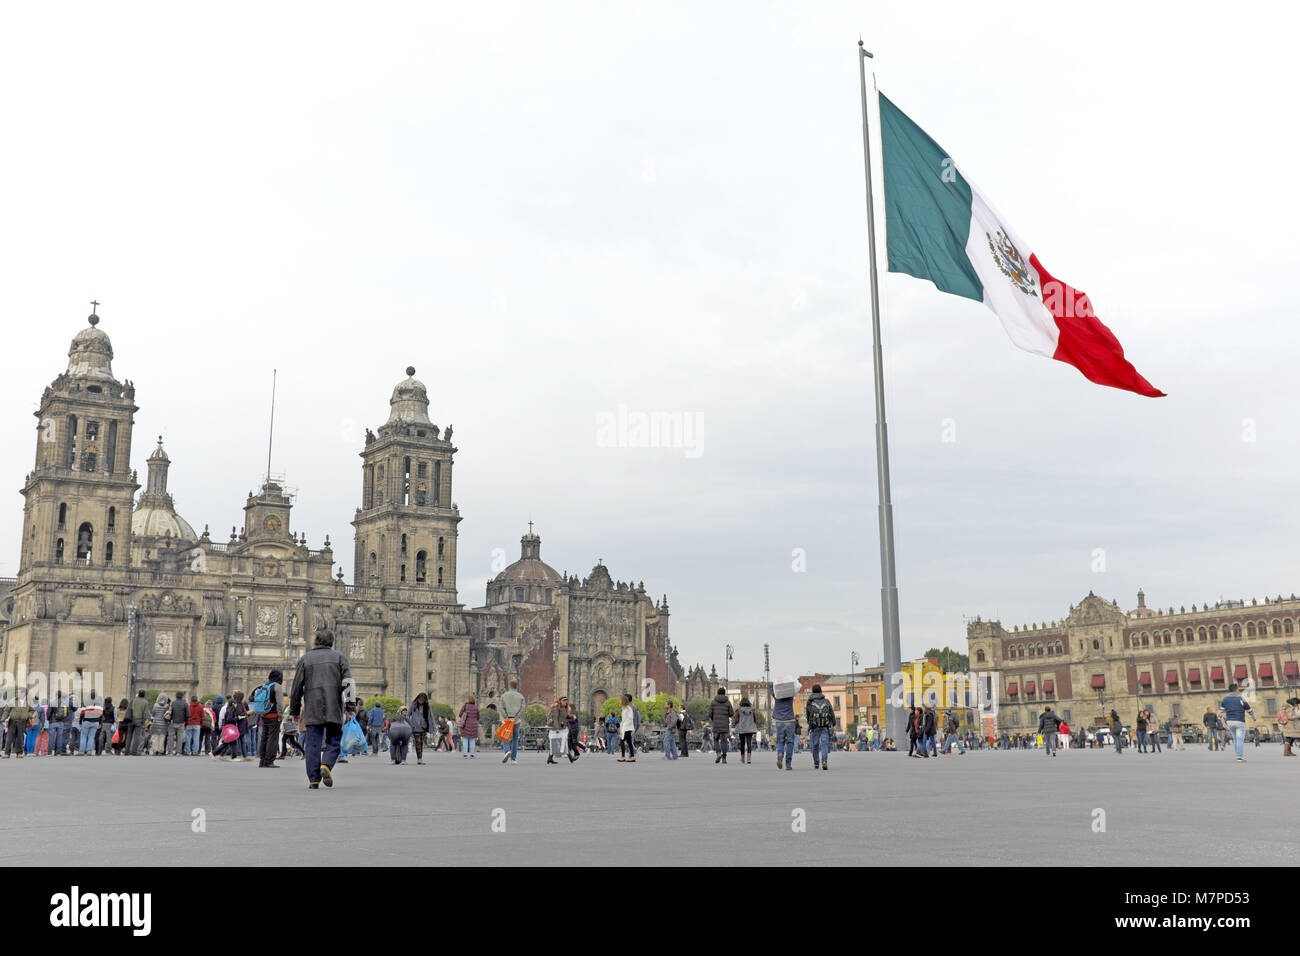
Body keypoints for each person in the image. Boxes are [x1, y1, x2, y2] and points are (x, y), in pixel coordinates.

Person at [289, 627, 354, 789]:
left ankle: (314, 779)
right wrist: (351, 707)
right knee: (334, 740)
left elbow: (296, 687)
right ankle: (326, 765)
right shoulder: (340, 658)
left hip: (312, 708)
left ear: (316, 641)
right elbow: (348, 684)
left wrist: (294, 711)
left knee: (312, 744)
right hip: (334, 707)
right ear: (331, 642)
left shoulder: (305, 659)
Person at [1218, 683, 1256, 762]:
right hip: (1239, 721)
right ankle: (1239, 756)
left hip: (1230, 722)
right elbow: (1249, 709)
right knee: (1239, 739)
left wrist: (1224, 724)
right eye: (1238, 689)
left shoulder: (1225, 699)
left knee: (1235, 738)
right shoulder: (1241, 698)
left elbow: (1220, 713)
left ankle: (1237, 754)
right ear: (1236, 689)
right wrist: (1254, 717)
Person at [255, 670, 284, 768]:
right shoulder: (277, 686)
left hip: (264, 715)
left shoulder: (264, 685)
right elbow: (280, 703)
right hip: (274, 716)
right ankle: (269, 761)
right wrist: (281, 714)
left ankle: (262, 760)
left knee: (264, 737)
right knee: (273, 738)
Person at [804, 684, 835, 771]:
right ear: (821, 691)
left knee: (815, 744)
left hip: (814, 726)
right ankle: (824, 762)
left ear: (813, 691)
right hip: (825, 725)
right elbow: (831, 712)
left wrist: (810, 724)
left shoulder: (810, 701)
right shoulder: (826, 701)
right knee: (824, 744)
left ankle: (816, 762)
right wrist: (834, 723)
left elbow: (808, 714)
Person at [212, 691, 246, 761]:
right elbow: (229, 719)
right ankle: (233, 757)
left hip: (229, 726)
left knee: (228, 742)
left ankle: (214, 753)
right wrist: (237, 718)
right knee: (230, 741)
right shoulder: (231, 710)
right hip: (230, 726)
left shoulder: (229, 709)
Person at [496, 682, 525, 765]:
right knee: (515, 739)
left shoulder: (504, 695)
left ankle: (507, 751)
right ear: (517, 686)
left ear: (509, 686)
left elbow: (501, 707)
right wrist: (515, 718)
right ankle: (513, 759)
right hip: (517, 721)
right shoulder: (520, 696)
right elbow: (522, 708)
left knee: (505, 737)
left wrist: (506, 717)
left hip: (506, 720)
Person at [771, 682, 797, 771]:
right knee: (790, 742)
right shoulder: (790, 695)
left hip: (779, 721)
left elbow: (771, 689)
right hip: (790, 720)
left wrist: (775, 683)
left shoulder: (777, 695)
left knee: (780, 741)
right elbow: (795, 688)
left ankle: (780, 754)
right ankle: (788, 764)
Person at [707, 687, 734, 765]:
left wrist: (714, 718)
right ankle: (724, 757)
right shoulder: (728, 702)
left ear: (717, 693)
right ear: (724, 693)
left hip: (716, 724)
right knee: (724, 741)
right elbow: (731, 713)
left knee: (715, 739)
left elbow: (710, 714)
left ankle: (718, 753)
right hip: (725, 724)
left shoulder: (713, 702)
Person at [2, 693, 30, 758]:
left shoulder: (27, 702)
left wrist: (28, 715)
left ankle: (19, 753)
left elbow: (31, 711)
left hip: (22, 722)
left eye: (19, 692)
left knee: (20, 738)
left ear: (23, 694)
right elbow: (6, 711)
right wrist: (3, 719)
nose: (17, 694)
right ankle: (7, 753)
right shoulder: (12, 701)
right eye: (17, 692)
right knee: (9, 738)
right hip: (12, 721)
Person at [410, 692, 434, 765]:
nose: (421, 701)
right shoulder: (413, 705)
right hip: (415, 727)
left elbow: (431, 716)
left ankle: (420, 758)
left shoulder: (427, 706)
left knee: (421, 743)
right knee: (417, 743)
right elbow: (408, 715)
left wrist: (433, 726)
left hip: (424, 727)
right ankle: (419, 759)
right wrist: (410, 723)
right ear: (417, 699)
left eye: (423, 700)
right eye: (420, 700)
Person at [734, 696, 757, 765]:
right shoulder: (752, 710)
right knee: (749, 743)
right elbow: (755, 719)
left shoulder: (739, 710)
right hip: (750, 728)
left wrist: (736, 724)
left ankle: (743, 758)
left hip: (742, 728)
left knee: (742, 743)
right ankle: (749, 759)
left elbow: (736, 720)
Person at [547, 697, 568, 765]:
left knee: (557, 743)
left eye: (566, 701)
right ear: (560, 701)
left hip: (561, 728)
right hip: (555, 729)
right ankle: (570, 757)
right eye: (564, 701)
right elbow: (555, 719)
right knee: (557, 743)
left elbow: (564, 717)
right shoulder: (556, 708)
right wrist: (557, 728)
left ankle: (550, 758)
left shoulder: (563, 708)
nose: (565, 702)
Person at [618, 694, 639, 762]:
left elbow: (630, 718)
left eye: (621, 700)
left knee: (622, 742)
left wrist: (624, 726)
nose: (620, 701)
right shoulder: (624, 708)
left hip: (627, 728)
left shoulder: (628, 708)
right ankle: (632, 756)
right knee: (629, 742)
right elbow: (624, 719)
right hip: (626, 727)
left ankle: (623, 756)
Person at [458, 694, 480, 758]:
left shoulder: (465, 706)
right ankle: (472, 754)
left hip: (466, 724)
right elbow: (478, 716)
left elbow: (460, 714)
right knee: (472, 740)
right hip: (474, 725)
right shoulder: (476, 707)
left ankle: (465, 754)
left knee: (465, 739)